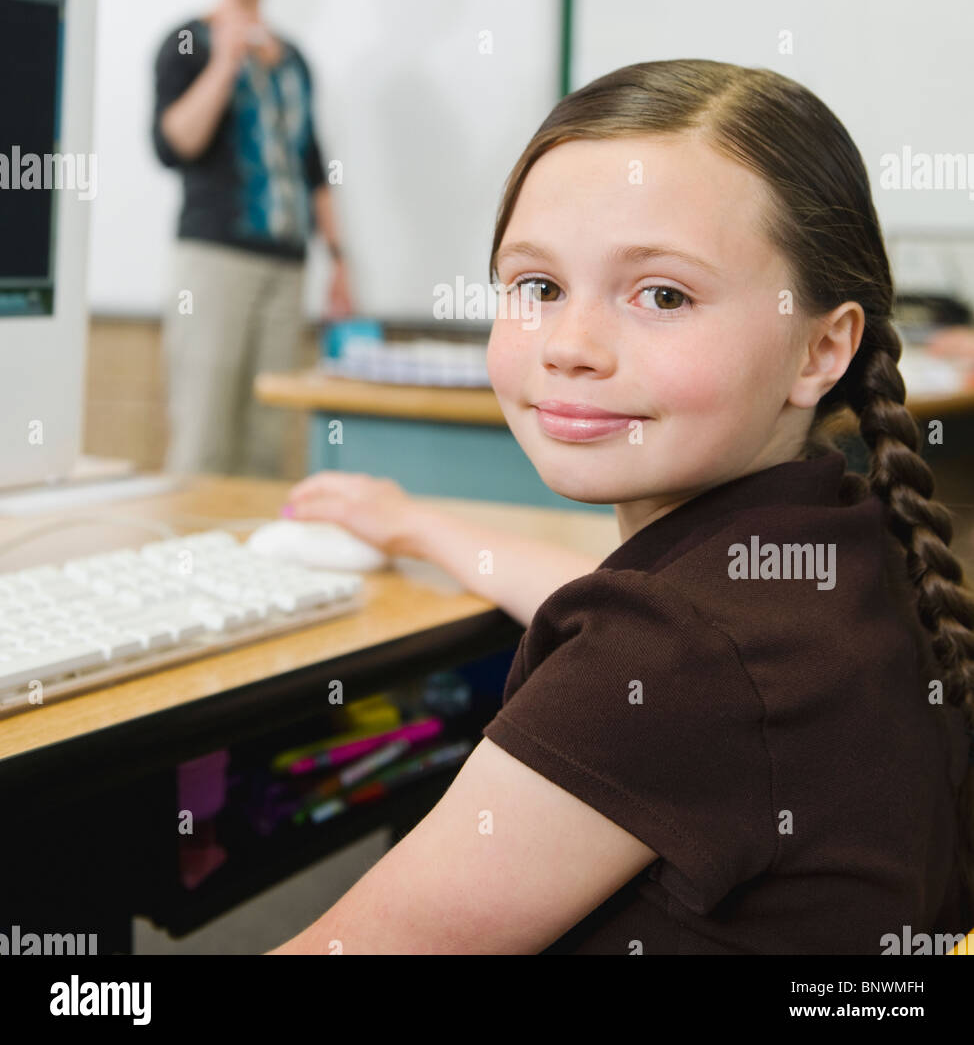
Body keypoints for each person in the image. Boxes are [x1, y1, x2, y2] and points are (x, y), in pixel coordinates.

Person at [268, 59, 974, 955]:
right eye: (539, 286)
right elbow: (641, 621)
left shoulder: (672, 663)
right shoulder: (839, 546)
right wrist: (419, 528)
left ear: (821, 348)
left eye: (663, 296)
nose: (570, 346)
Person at [152, 0, 355, 476]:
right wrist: (224, 61)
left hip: (286, 263)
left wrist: (338, 258)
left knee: (267, 443)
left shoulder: (293, 59)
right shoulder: (186, 42)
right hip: (215, 260)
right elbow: (173, 145)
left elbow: (311, 163)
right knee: (205, 436)